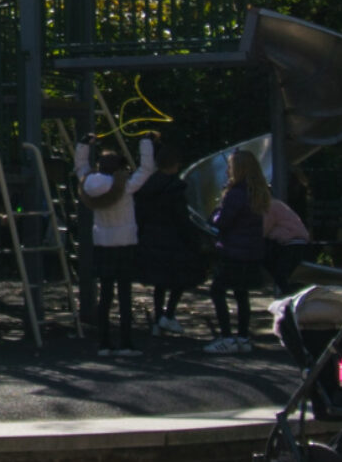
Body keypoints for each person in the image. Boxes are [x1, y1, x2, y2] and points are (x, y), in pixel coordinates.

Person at [75, 135, 153, 355]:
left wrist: (83, 145)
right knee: (125, 296)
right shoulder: (125, 187)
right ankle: (126, 343)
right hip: (126, 244)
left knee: (106, 296)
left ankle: (104, 343)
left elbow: (80, 167)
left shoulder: (87, 185)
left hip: (102, 244)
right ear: (119, 167)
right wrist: (145, 143)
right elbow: (146, 169)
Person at [132, 139, 203, 338]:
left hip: (151, 236)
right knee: (180, 278)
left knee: (159, 282)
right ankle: (169, 314)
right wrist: (192, 239)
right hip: (173, 237)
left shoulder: (146, 187)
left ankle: (158, 317)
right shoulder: (176, 189)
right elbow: (181, 217)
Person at [206, 148, 271, 350]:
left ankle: (226, 336)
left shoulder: (235, 194)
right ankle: (243, 336)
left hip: (233, 250)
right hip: (251, 250)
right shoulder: (257, 193)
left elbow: (223, 221)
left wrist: (215, 216)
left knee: (218, 290)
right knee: (241, 294)